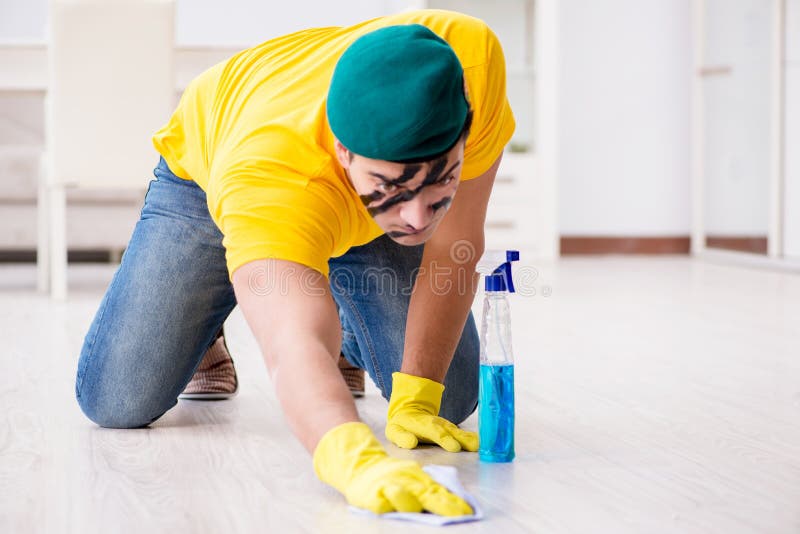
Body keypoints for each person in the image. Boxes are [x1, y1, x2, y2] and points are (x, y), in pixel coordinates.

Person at [74, 8, 515, 517]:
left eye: (440, 180)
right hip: (218, 165)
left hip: (342, 199)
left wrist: (417, 395)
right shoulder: (269, 178)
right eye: (392, 187)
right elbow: (292, 344)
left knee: (448, 398)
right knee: (118, 400)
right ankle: (211, 313)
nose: (418, 218)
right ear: (344, 153)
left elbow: (455, 244)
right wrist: (352, 458)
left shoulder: (465, 69)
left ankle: (342, 294)